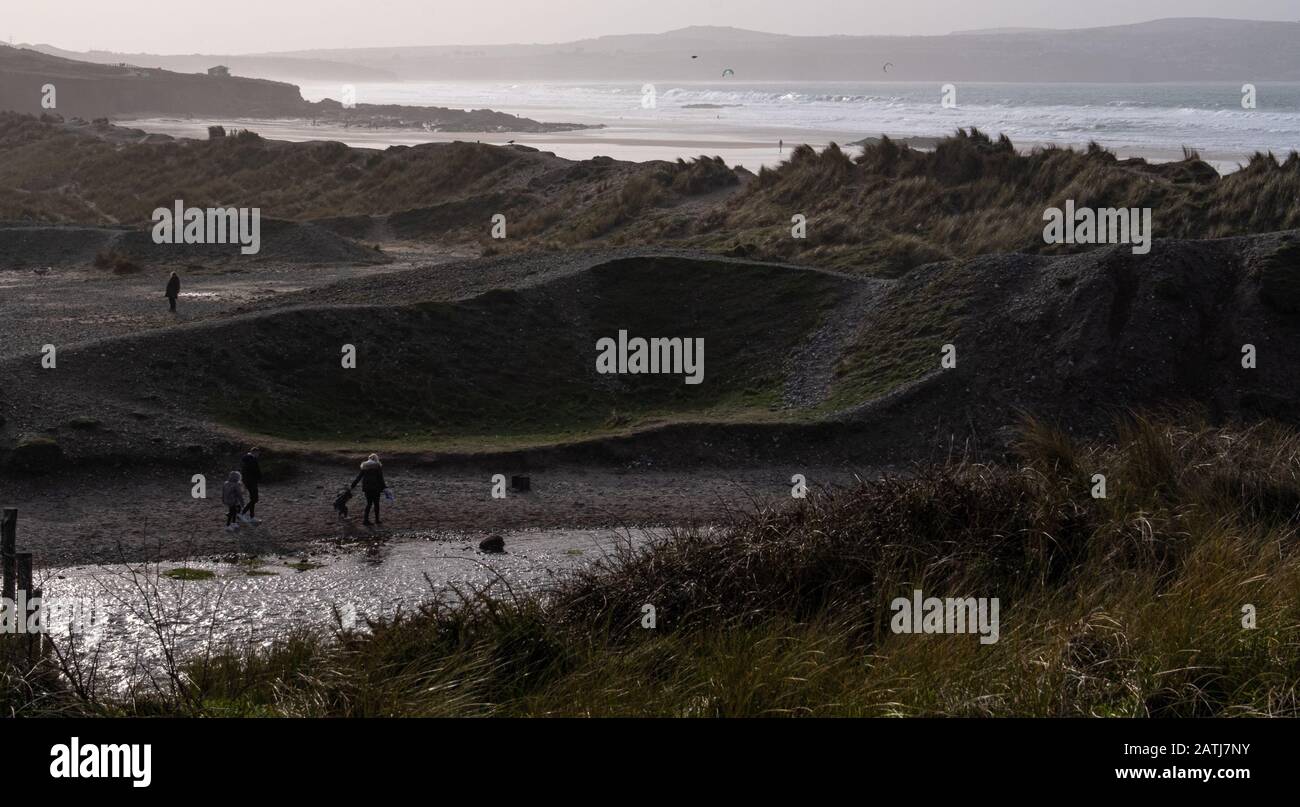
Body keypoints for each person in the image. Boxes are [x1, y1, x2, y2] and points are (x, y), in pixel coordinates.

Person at [350, 453, 387, 526]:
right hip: (376, 488)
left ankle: (365, 520)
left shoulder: (365, 466)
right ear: (376, 459)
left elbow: (359, 477)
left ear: (369, 459)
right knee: (376, 504)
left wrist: (353, 485)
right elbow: (380, 478)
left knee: (369, 504)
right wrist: (384, 487)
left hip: (367, 488)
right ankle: (377, 520)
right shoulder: (377, 466)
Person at [240, 447, 262, 523]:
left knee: (253, 499)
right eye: (258, 453)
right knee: (255, 499)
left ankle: (251, 516)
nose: (258, 455)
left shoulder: (246, 459)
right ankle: (242, 513)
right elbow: (255, 471)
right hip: (251, 482)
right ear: (255, 452)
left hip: (249, 481)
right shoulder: (251, 459)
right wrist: (259, 477)